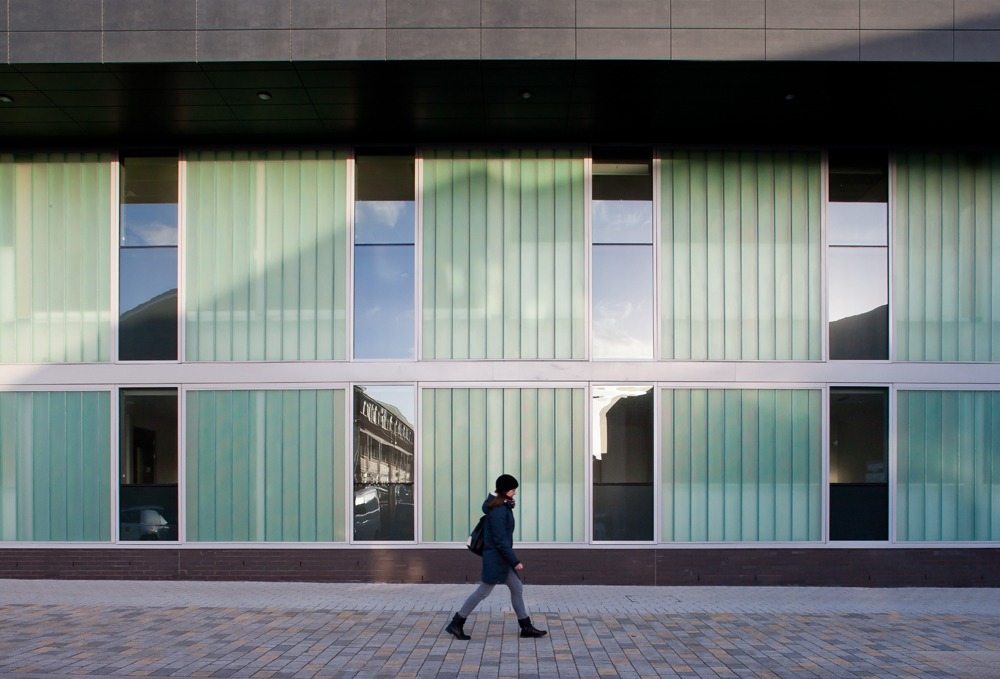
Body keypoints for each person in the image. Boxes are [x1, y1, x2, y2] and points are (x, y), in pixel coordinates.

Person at [444, 474, 547, 640]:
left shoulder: (501, 507)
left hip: (501, 559)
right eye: (513, 490)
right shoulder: (498, 510)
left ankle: (526, 626)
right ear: (505, 491)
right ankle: (456, 623)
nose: (514, 493)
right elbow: (500, 540)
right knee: (483, 592)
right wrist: (515, 561)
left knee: (517, 589)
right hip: (497, 559)